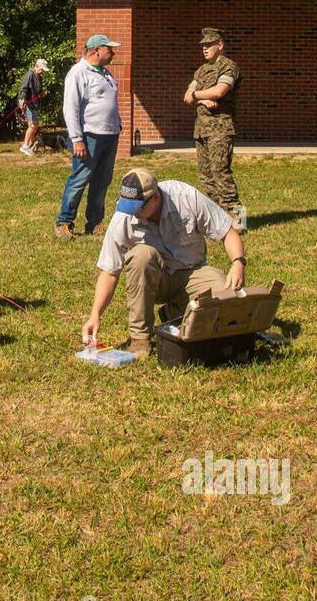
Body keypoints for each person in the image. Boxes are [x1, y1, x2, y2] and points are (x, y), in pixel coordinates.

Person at [81, 169, 246, 359]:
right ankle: (140, 338)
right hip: (156, 280)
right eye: (129, 207)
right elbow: (109, 272)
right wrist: (95, 315)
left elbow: (227, 231)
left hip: (193, 273)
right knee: (141, 255)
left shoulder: (186, 197)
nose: (133, 214)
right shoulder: (123, 216)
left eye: (139, 208)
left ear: (156, 197)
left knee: (227, 295)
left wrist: (238, 262)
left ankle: (175, 312)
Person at [56, 35, 122, 239]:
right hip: (89, 136)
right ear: (95, 51)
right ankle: (64, 223)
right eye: (109, 49)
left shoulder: (106, 73)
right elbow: (70, 108)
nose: (112, 53)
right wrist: (77, 139)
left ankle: (95, 223)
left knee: (102, 181)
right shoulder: (78, 72)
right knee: (80, 179)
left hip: (109, 136)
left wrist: (117, 122)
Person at [184, 28, 242, 219]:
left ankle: (238, 219)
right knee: (206, 175)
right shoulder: (201, 71)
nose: (205, 48)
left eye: (209, 44)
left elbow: (219, 91)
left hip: (221, 128)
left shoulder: (228, 66)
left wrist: (197, 95)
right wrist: (200, 98)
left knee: (221, 172)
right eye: (203, 45)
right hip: (201, 130)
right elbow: (186, 97)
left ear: (220, 45)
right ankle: (219, 218)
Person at [17, 58, 50, 156]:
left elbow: (37, 89)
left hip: (34, 104)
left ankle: (31, 145)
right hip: (28, 103)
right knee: (34, 124)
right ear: (37, 66)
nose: (43, 71)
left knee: (32, 124)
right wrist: (22, 99)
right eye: (42, 69)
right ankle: (25, 146)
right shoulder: (30, 74)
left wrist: (41, 93)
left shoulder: (38, 75)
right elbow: (24, 88)